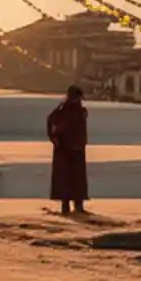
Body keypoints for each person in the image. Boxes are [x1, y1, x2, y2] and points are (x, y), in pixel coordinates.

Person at [47, 85, 89, 215]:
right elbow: (53, 124)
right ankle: (70, 206)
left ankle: (76, 205)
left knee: (74, 179)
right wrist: (55, 138)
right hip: (67, 149)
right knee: (68, 178)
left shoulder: (71, 110)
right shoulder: (65, 111)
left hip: (74, 148)